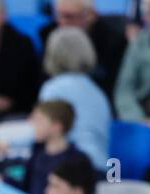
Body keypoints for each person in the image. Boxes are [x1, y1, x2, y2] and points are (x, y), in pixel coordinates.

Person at [39, 26, 112, 169]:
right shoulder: (98, 92)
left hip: (73, 170)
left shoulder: (52, 88)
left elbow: (43, 133)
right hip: (103, 168)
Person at [40, 0, 128, 99]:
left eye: (69, 16)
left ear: (91, 15)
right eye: (58, 15)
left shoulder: (113, 40)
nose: (62, 22)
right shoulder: (49, 34)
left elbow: (116, 84)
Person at [14, 100, 88, 194]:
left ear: (56, 126)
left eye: (39, 120)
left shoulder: (77, 160)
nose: (33, 124)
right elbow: (25, 186)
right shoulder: (37, 154)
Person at [114, 0, 150, 136]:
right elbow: (124, 89)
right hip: (140, 127)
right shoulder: (139, 43)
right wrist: (139, 121)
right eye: (149, 14)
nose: (149, 20)